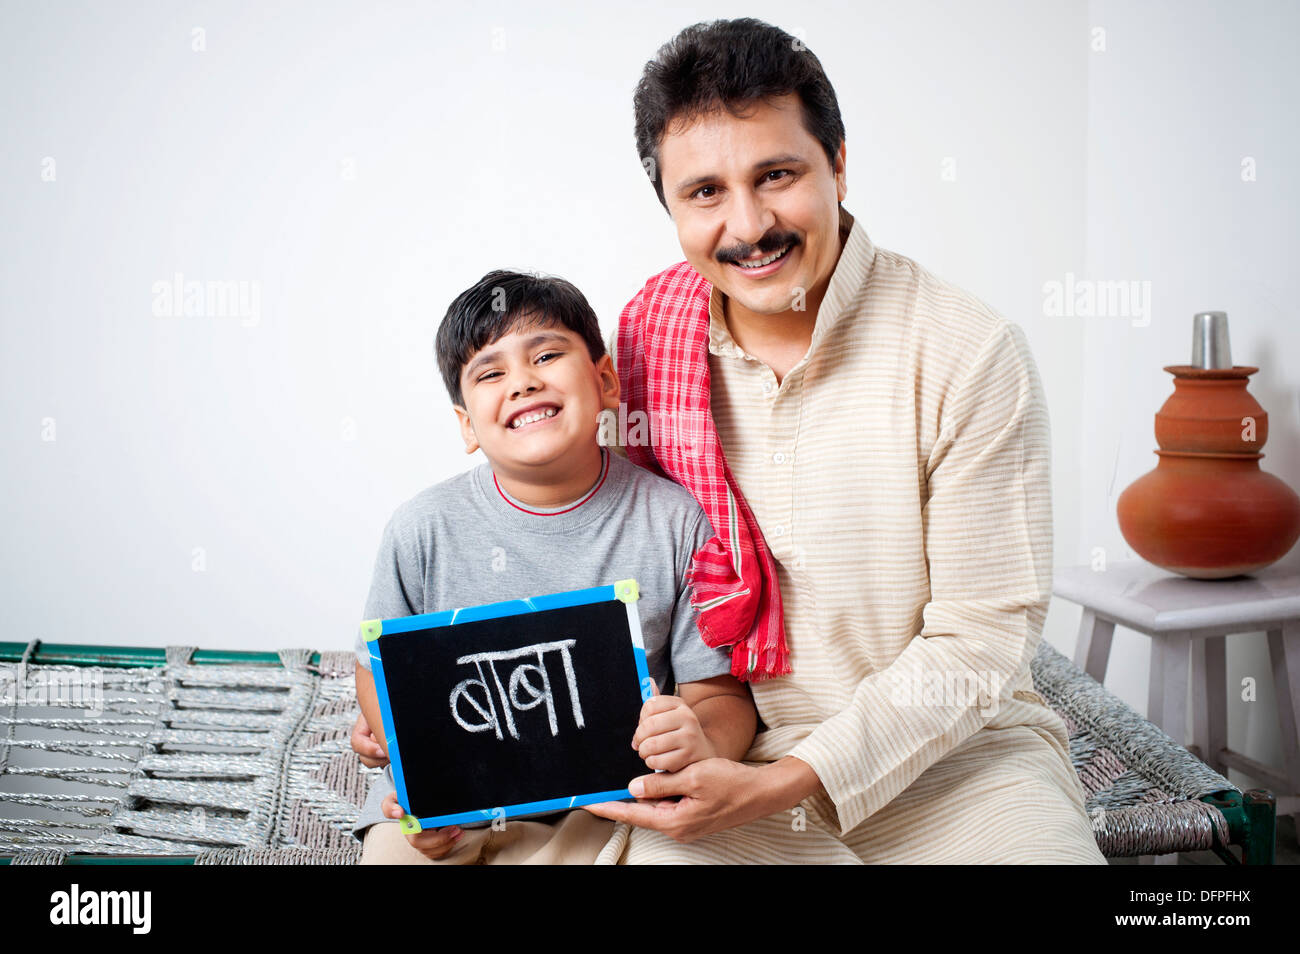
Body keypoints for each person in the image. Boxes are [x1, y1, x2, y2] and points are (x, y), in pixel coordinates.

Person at [576, 18, 1107, 863]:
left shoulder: (967, 351)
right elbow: (579, 539)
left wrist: (794, 777)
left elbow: (981, 637)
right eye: (705, 192)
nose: (748, 225)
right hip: (723, 764)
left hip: (960, 768)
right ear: (671, 207)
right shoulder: (643, 350)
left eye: (776, 174)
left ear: (839, 164)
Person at [351, 269, 756, 864]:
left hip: (610, 801)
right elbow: (375, 669)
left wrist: (700, 739)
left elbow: (720, 695)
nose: (522, 382)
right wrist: (405, 754)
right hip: (458, 810)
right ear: (467, 424)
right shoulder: (422, 529)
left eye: (545, 354)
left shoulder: (675, 522)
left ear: (607, 379)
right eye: (491, 373)